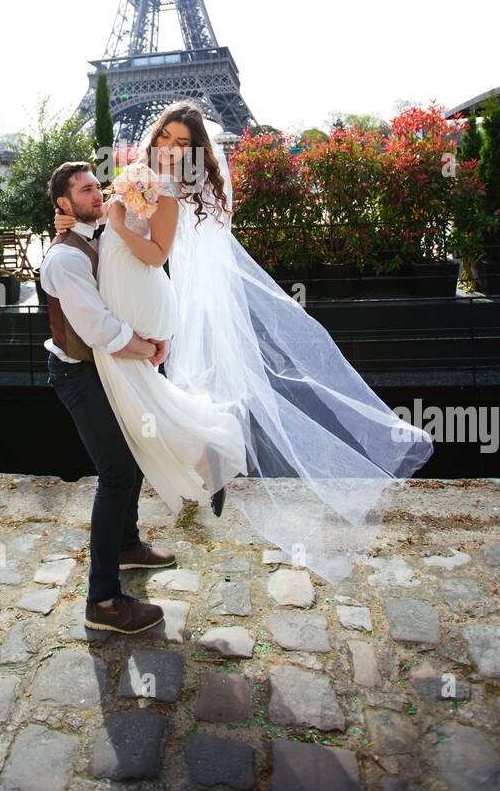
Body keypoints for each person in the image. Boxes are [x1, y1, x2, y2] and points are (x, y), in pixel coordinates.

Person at [54, 101, 435, 583]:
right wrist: (76, 224)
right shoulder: (136, 177)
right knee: (143, 419)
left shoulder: (165, 193)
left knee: (142, 419)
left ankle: (213, 454)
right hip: (127, 311)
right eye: (165, 137)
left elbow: (154, 253)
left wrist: (119, 220)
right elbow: (100, 224)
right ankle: (198, 468)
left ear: (196, 154)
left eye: (183, 143)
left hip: (131, 312)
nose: (170, 148)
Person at [40, 162, 175, 636]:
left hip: (106, 367)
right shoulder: (64, 258)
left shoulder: (100, 232)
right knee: (116, 472)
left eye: (98, 186)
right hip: (78, 373)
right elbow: (97, 328)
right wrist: (148, 347)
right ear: (63, 203)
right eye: (84, 190)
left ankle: (127, 544)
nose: (97, 194)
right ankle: (103, 601)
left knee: (132, 457)